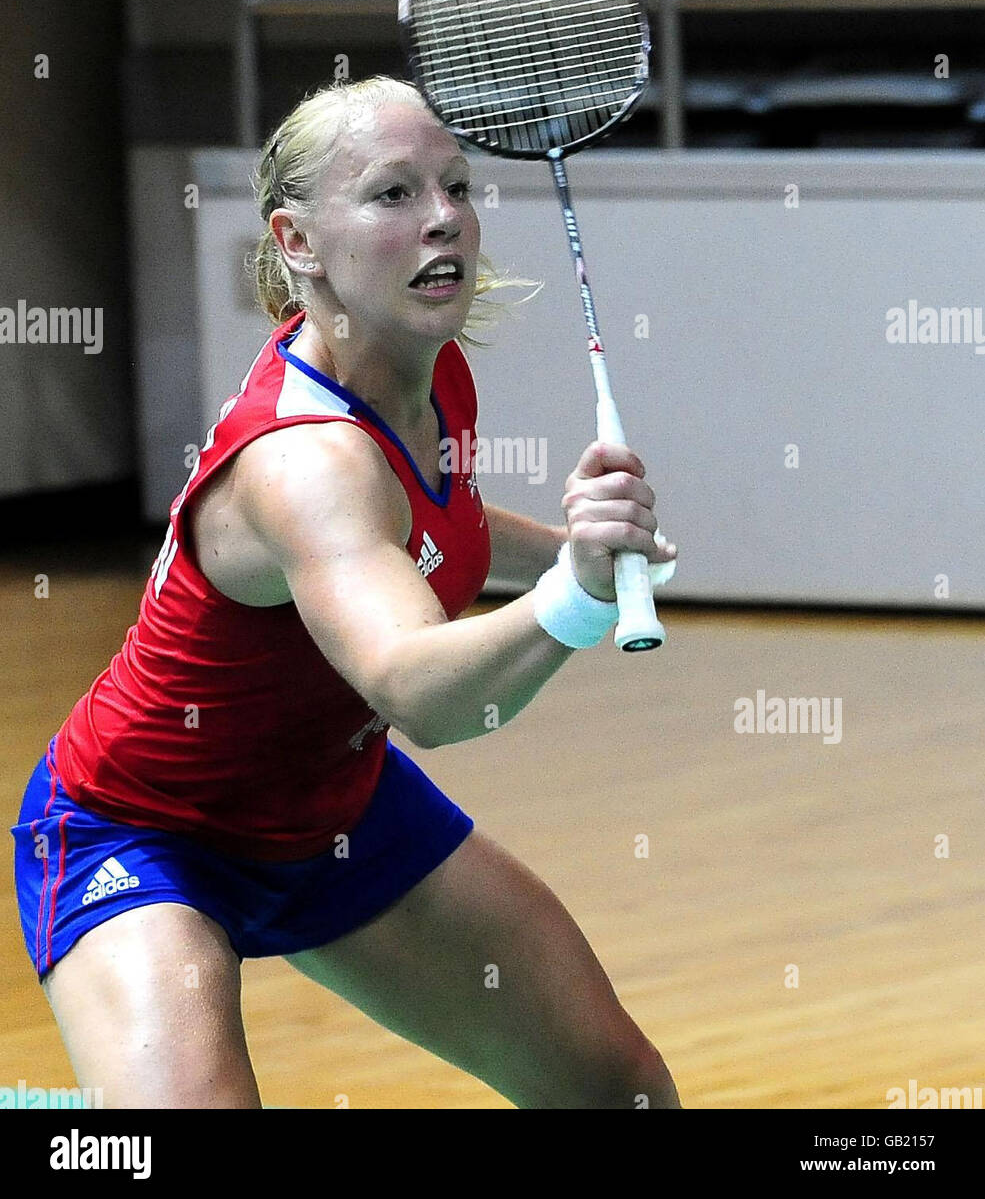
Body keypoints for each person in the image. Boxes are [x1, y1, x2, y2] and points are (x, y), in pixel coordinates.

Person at [11, 75, 680, 1109]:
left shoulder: (428, 369)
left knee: (612, 1090)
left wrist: (574, 547)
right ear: (296, 239)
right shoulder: (306, 462)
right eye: (392, 194)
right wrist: (578, 599)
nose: (444, 216)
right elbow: (420, 689)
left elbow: (419, 528)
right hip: (146, 833)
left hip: (332, 810)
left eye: (454, 185)